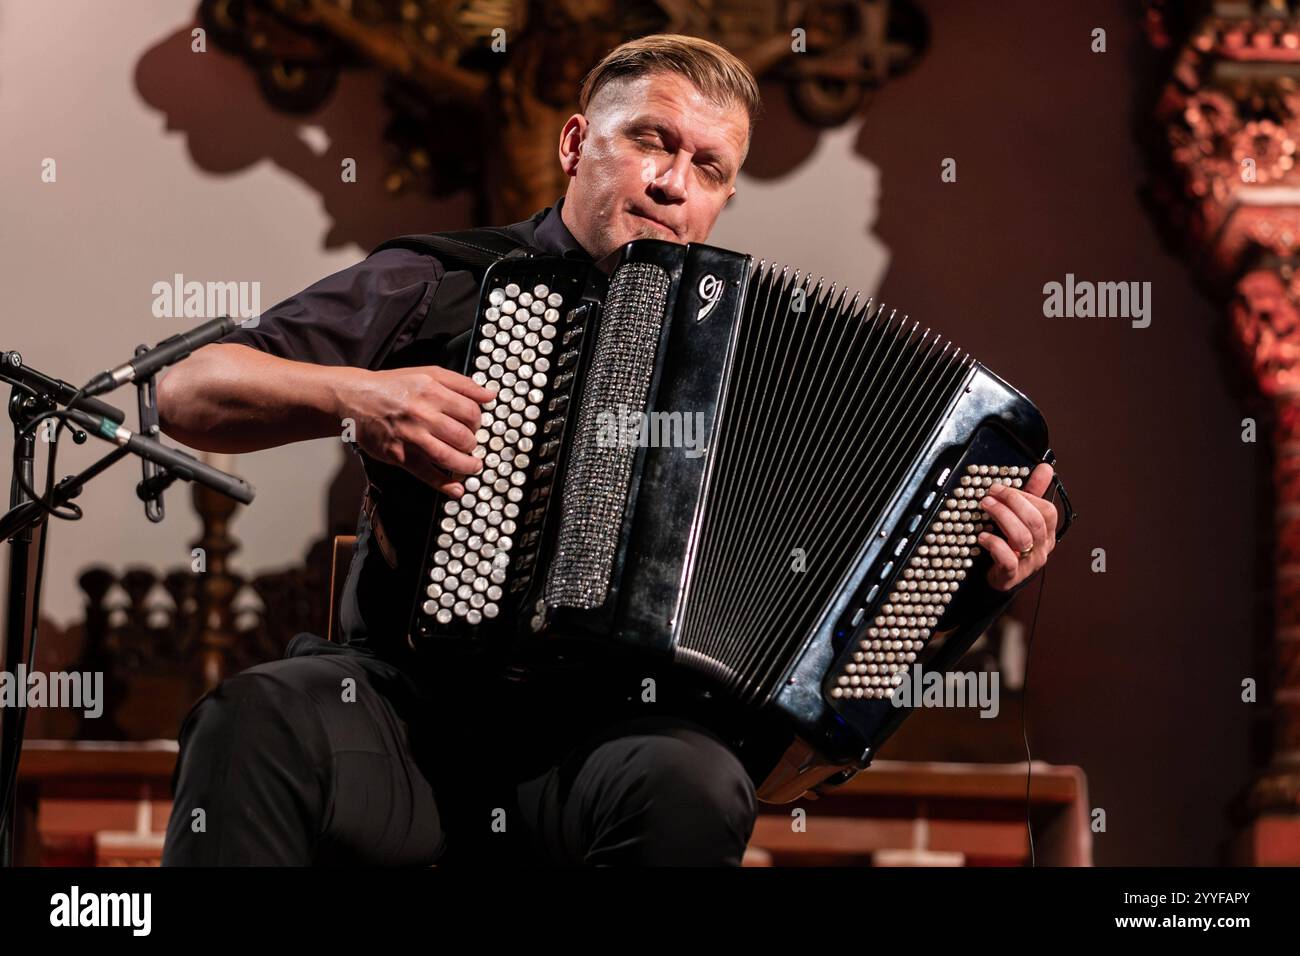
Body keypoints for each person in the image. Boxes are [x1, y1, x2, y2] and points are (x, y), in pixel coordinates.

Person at [157, 34, 1059, 867]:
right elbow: (188, 390)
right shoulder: (444, 279)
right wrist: (357, 396)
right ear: (575, 142)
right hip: (409, 715)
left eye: (707, 167)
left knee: (698, 787)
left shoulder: (749, 344)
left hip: (609, 744)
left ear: (724, 197)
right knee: (254, 721)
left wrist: (978, 569)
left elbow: (858, 632)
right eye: (650, 142)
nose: (673, 182)